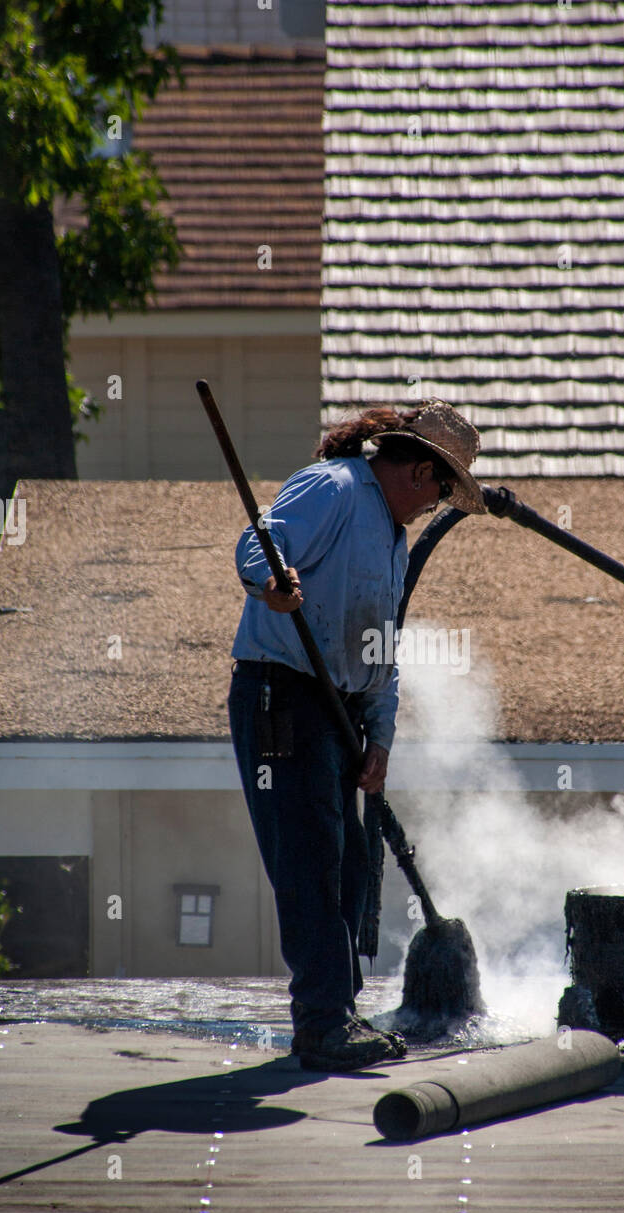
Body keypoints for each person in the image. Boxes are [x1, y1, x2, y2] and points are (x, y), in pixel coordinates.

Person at [228, 399, 485, 1071]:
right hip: (280, 694)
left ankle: (335, 1014)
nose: (433, 508)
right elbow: (260, 543)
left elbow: (382, 648)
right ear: (421, 473)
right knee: (310, 858)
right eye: (439, 494)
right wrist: (273, 583)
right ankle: (322, 1022)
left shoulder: (392, 538)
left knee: (342, 866)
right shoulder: (335, 486)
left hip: (338, 708)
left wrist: (380, 737)